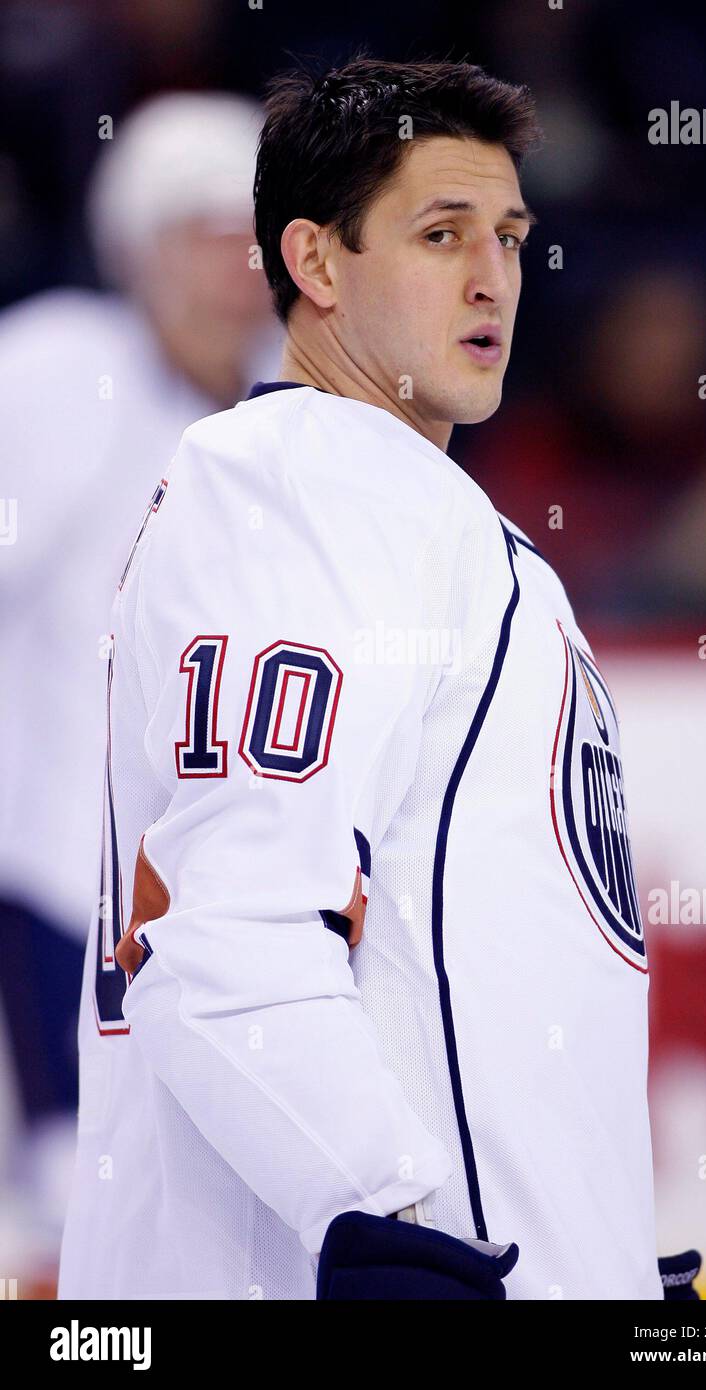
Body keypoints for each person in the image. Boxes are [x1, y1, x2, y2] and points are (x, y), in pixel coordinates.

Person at [57, 56, 684, 1300]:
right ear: (316, 263)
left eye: (507, 234)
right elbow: (230, 930)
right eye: (439, 232)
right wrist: (378, 1224)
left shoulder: (417, 512)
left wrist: (599, 1257)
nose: (490, 273)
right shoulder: (301, 480)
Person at [0, 90, 281, 1285]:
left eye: (251, 231)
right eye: (202, 229)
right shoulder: (62, 370)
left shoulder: (299, 404)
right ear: (136, 249)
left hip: (223, 889)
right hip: (56, 877)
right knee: (75, 1206)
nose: (235, 260)